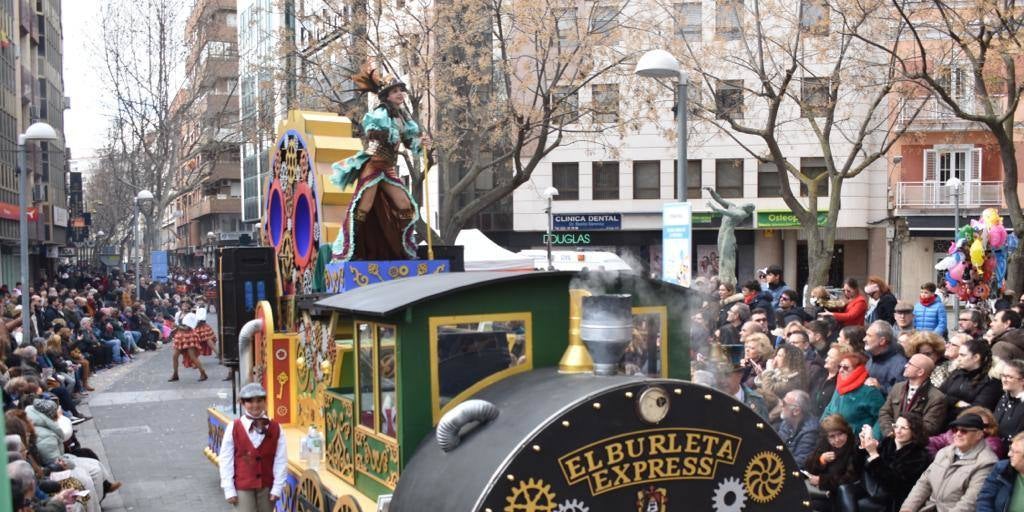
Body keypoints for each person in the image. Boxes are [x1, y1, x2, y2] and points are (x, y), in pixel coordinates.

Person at [329, 65, 424, 262]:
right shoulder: (381, 112)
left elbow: (410, 142)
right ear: (387, 96)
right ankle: (354, 250)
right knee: (364, 206)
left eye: (401, 91)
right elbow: (372, 130)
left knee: (405, 205)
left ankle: (403, 247)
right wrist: (385, 133)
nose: (400, 94)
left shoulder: (402, 117)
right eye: (395, 91)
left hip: (388, 168)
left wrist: (422, 145)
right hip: (373, 165)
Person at [900, 413, 998, 512]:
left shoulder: (986, 462)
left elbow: (969, 503)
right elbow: (924, 483)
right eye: (955, 430)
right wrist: (907, 508)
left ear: (978, 435)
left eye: (964, 431)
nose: (958, 434)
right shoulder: (944, 452)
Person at [841, 413, 931, 512]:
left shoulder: (919, 456)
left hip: (893, 498)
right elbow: (860, 467)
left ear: (914, 431)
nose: (898, 431)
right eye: (896, 426)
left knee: (853, 500)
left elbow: (894, 484)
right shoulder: (889, 442)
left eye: (904, 428)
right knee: (843, 489)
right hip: (874, 488)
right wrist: (863, 446)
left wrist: (873, 453)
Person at [219, 383, 288, 511]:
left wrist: (278, 487)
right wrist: (229, 488)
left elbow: (280, 459)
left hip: (267, 485)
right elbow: (226, 459)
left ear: (265, 402)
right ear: (242, 403)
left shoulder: (276, 428)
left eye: (259, 401)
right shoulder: (233, 427)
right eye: (250, 401)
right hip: (242, 485)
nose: (255, 405)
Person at [877, 354, 947, 438]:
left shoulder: (937, 398)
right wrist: (890, 432)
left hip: (915, 445)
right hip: (892, 440)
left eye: (910, 364)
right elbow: (884, 412)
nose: (905, 365)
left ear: (920, 372)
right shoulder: (897, 387)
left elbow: (930, 427)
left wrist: (903, 433)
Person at [805, 414, 862, 510]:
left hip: (842, 493)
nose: (837, 439)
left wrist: (821, 481)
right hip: (825, 490)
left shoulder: (855, 446)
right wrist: (821, 460)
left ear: (846, 432)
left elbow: (850, 478)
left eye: (840, 434)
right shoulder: (825, 443)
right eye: (832, 436)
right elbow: (808, 465)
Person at [940, 338, 1001, 424]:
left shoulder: (991, 381)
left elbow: (977, 410)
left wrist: (948, 401)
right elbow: (939, 395)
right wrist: (957, 402)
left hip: (966, 426)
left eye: (962, 355)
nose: (958, 358)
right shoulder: (957, 373)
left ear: (976, 357)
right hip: (944, 420)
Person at [822, 352, 885, 432]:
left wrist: (873, 438)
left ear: (857, 370)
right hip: (836, 439)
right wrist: (822, 430)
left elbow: (882, 417)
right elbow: (828, 410)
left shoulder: (869, 392)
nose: (841, 370)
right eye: (839, 366)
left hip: (859, 440)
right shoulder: (839, 388)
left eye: (845, 367)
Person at [976, 432, 1024, 512]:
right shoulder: (1002, 468)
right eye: (1010, 449)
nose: (1009, 454)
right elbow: (985, 499)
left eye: (1015, 452)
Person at [775, 390, 819, 468]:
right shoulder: (787, 421)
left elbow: (799, 463)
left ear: (796, 411)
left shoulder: (811, 431)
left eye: (784, 403)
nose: (781, 405)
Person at [864, 320, 908, 395]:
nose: (864, 339)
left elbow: (901, 394)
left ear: (882, 341)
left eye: (869, 336)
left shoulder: (900, 365)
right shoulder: (872, 356)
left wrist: (880, 388)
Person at [168, 301, 208, 382]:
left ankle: (203, 373)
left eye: (187, 304)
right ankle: (175, 374)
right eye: (183, 304)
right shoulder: (178, 314)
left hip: (189, 337)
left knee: (192, 356)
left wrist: (177, 326)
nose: (185, 305)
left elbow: (188, 328)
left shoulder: (191, 315)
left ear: (190, 306)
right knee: (175, 356)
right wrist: (174, 329)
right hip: (179, 336)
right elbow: (178, 325)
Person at [812, 344, 853, 417]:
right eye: (827, 356)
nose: (826, 359)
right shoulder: (820, 375)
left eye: (830, 357)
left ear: (840, 361)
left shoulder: (842, 381)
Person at [993, 359, 1024, 446]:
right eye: (1003, 376)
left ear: (1022, 381)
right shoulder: (1004, 398)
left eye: (1010, 377)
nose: (1004, 380)